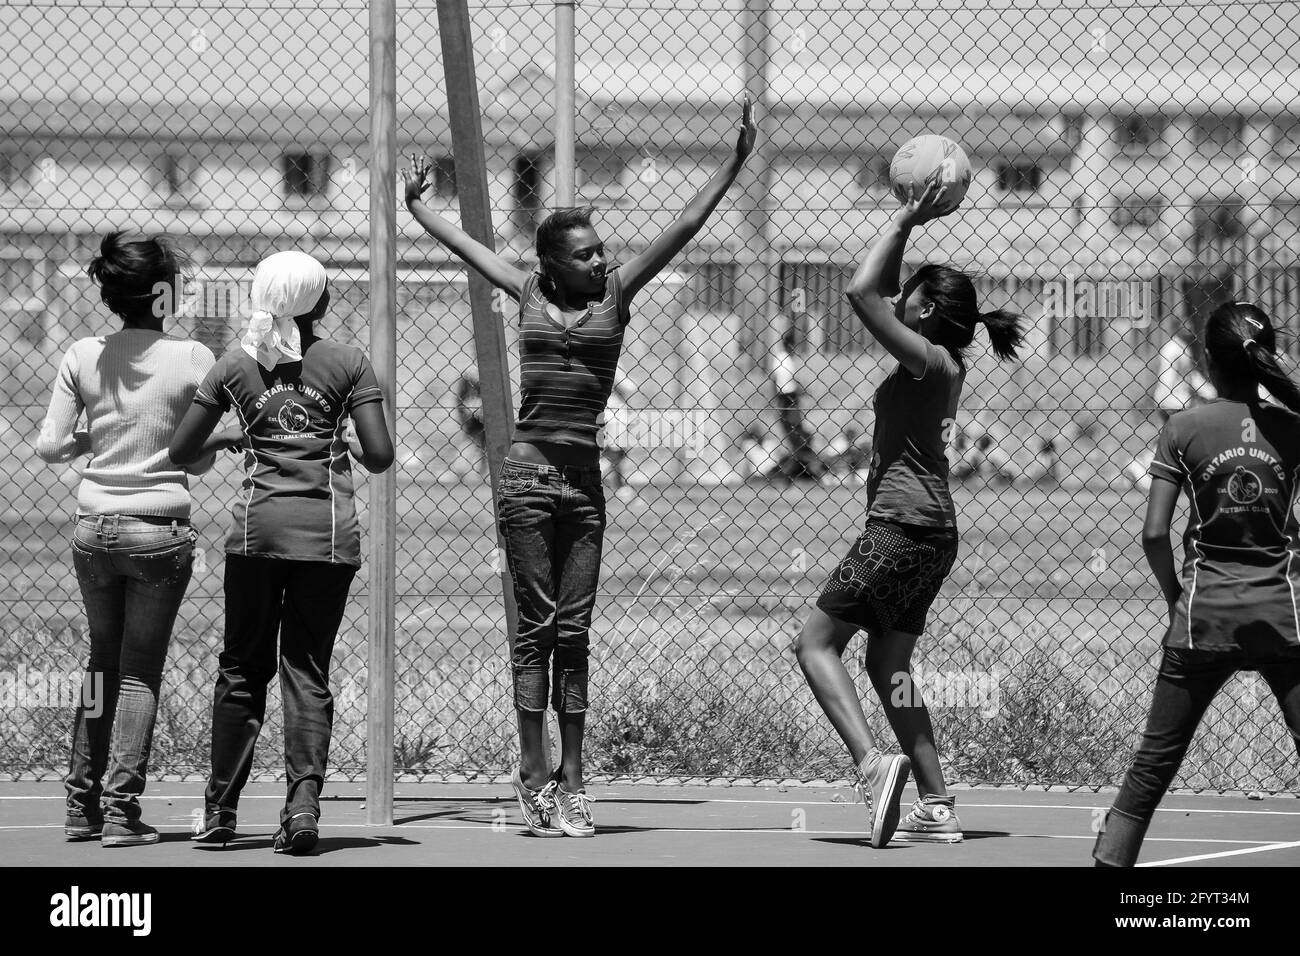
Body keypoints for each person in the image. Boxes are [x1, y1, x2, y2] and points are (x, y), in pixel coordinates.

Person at [402, 96, 756, 838]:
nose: (602, 258)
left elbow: (683, 227)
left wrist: (733, 161)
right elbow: (470, 247)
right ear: (553, 266)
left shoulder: (618, 298)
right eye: (587, 253)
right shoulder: (527, 291)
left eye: (601, 250)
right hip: (527, 479)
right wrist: (417, 210)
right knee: (537, 625)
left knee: (575, 629)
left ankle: (574, 777)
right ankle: (532, 769)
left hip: (584, 485)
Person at [792, 180, 1024, 848]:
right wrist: (910, 230)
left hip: (900, 529)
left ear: (923, 310)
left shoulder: (927, 361)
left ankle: (872, 766)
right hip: (932, 534)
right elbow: (887, 285)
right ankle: (937, 804)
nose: (897, 300)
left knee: (815, 645)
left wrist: (902, 215)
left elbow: (862, 293)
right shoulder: (940, 359)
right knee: (887, 666)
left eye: (909, 298)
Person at [170, 250, 394, 855]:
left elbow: (182, 450)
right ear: (318, 303)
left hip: (255, 538)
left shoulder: (235, 365)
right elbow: (379, 456)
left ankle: (219, 813)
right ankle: (302, 811)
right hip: (326, 539)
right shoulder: (348, 362)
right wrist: (341, 433)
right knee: (307, 670)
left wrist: (233, 433)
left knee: (242, 667)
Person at [35, 232, 241, 848]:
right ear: (160, 294)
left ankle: (81, 806)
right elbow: (196, 462)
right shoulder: (193, 360)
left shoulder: (82, 355)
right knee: (137, 673)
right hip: (159, 531)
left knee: (101, 663)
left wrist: (91, 442)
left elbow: (49, 446)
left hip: (93, 526)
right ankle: (122, 813)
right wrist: (221, 441)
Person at [1093, 302, 1300, 867]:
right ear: (1266, 359)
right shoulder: (1291, 430)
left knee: (1152, 767)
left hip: (1201, 618)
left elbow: (1154, 534)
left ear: (1208, 361)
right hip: (1283, 618)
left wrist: (1173, 597)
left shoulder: (1183, 428)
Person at [770, 330, 825, 482]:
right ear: (790, 345)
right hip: (786, 398)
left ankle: (799, 463)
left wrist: (802, 390)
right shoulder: (782, 358)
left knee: (796, 430)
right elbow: (777, 380)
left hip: (791, 397)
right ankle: (797, 464)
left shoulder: (788, 359)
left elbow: (791, 380)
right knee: (794, 430)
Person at [1154, 327, 1215, 422]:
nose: (1190, 326)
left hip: (1171, 402)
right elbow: (1169, 377)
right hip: (1176, 403)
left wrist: (1209, 392)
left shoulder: (1181, 346)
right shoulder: (1176, 349)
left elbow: (1190, 375)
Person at [453, 370, 486, 476]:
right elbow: (460, 402)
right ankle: (461, 471)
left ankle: (480, 471)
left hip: (481, 420)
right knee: (472, 443)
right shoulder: (467, 378)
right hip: (472, 422)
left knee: (479, 446)